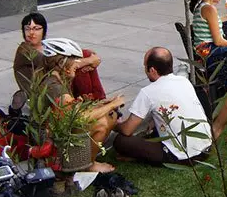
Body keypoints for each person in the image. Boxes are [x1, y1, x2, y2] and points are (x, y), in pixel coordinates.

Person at [114, 47, 212, 165]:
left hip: (181, 155)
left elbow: (126, 130)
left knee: (121, 141)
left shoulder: (148, 92)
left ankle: (141, 158)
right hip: (206, 148)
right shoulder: (184, 81)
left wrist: (113, 123)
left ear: (152, 70)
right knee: (154, 132)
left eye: (145, 67)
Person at [40, 38, 124, 173]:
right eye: (75, 61)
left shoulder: (59, 79)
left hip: (62, 126)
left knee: (110, 115)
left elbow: (72, 111)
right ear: (63, 64)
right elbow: (80, 117)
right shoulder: (55, 87)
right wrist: (112, 104)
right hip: (54, 137)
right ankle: (87, 165)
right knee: (103, 123)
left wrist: (101, 104)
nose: (77, 64)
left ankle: (86, 160)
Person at [13, 12, 106, 100]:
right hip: (42, 94)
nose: (31, 33)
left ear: (44, 30)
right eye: (27, 29)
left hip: (55, 85)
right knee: (81, 62)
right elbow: (52, 62)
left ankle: (97, 98)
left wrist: (88, 57)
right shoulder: (24, 50)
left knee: (84, 54)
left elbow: (63, 58)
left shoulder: (46, 46)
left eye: (36, 28)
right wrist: (90, 60)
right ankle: (94, 100)